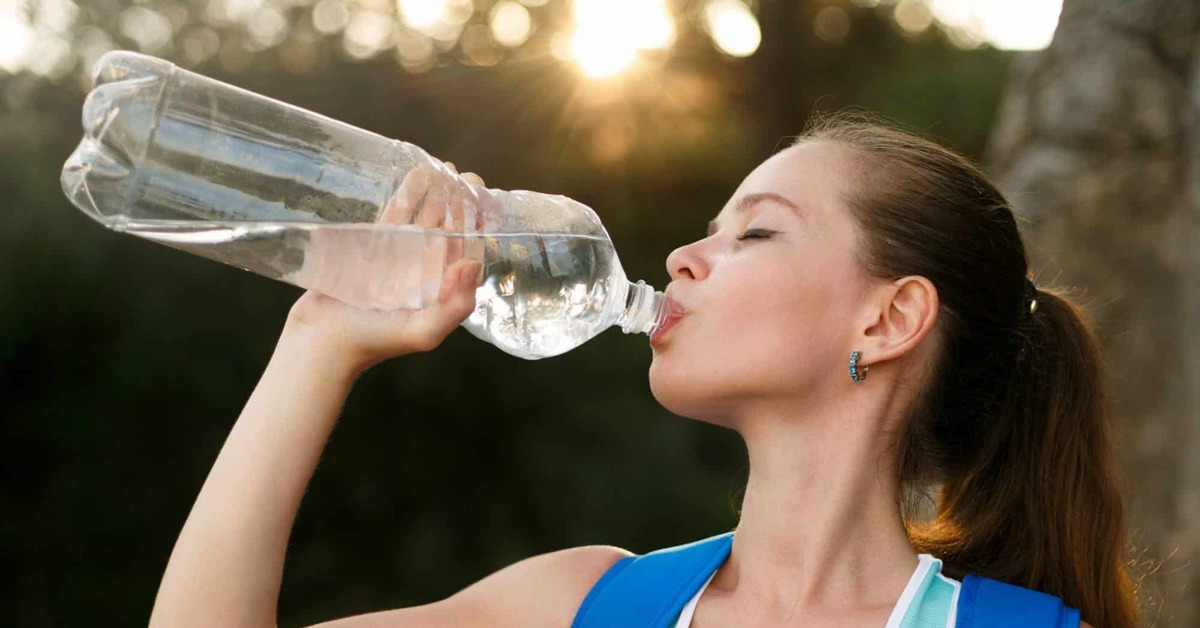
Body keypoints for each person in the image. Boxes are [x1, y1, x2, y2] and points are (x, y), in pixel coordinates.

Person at [147, 113, 1136, 628]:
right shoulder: (584, 605)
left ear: (889, 318)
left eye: (755, 230)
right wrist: (318, 341)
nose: (681, 259)